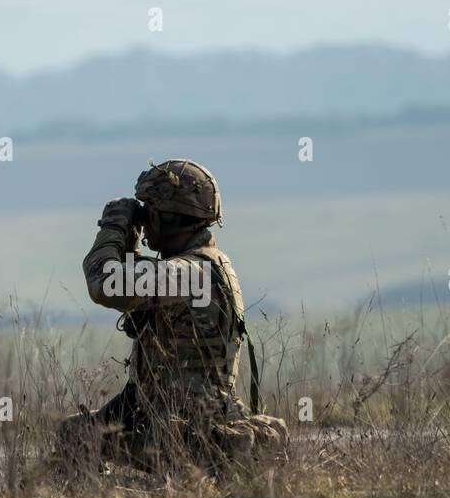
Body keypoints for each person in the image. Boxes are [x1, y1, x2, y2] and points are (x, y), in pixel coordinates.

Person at [57, 159, 287, 475]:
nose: (146, 219)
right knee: (78, 432)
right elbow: (141, 282)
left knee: (80, 437)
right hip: (165, 418)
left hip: (191, 430)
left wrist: (113, 225)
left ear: (169, 217)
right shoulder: (202, 266)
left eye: (150, 211)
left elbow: (105, 284)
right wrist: (129, 244)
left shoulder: (193, 274)